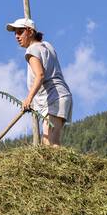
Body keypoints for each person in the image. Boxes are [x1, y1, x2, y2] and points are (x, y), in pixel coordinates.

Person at [6, 17, 73, 147]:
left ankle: (57, 167)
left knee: (49, 142)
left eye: (20, 32)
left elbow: (40, 75)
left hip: (54, 98)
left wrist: (29, 98)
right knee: (51, 141)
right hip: (61, 96)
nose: (16, 36)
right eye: (15, 33)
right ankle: (57, 166)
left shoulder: (31, 51)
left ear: (30, 32)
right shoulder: (47, 46)